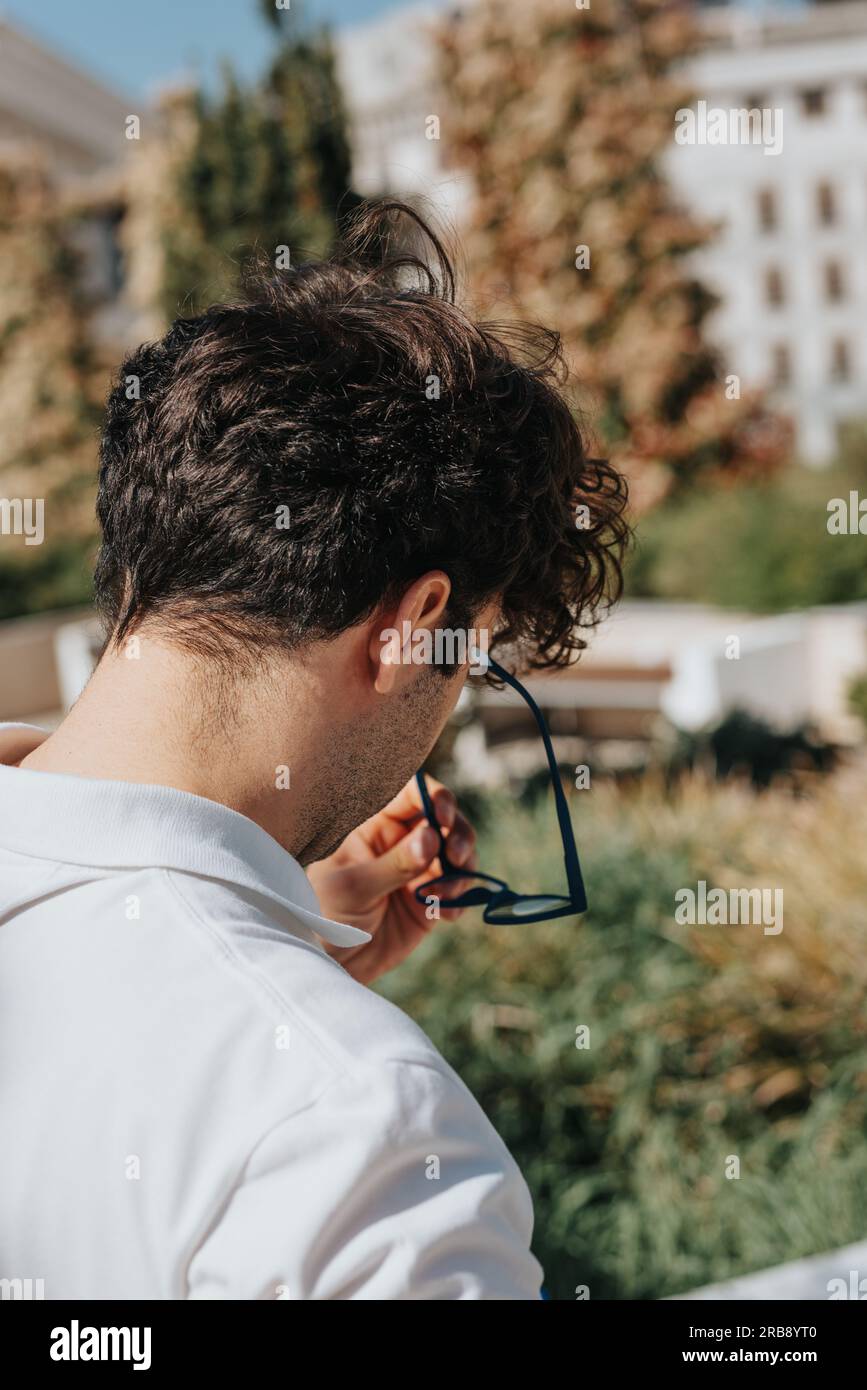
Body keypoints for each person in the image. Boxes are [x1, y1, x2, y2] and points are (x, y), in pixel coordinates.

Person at [0, 202, 628, 1300]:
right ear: (412, 623)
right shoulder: (361, 1141)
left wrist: (262, 951)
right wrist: (273, 1013)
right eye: (469, 657)